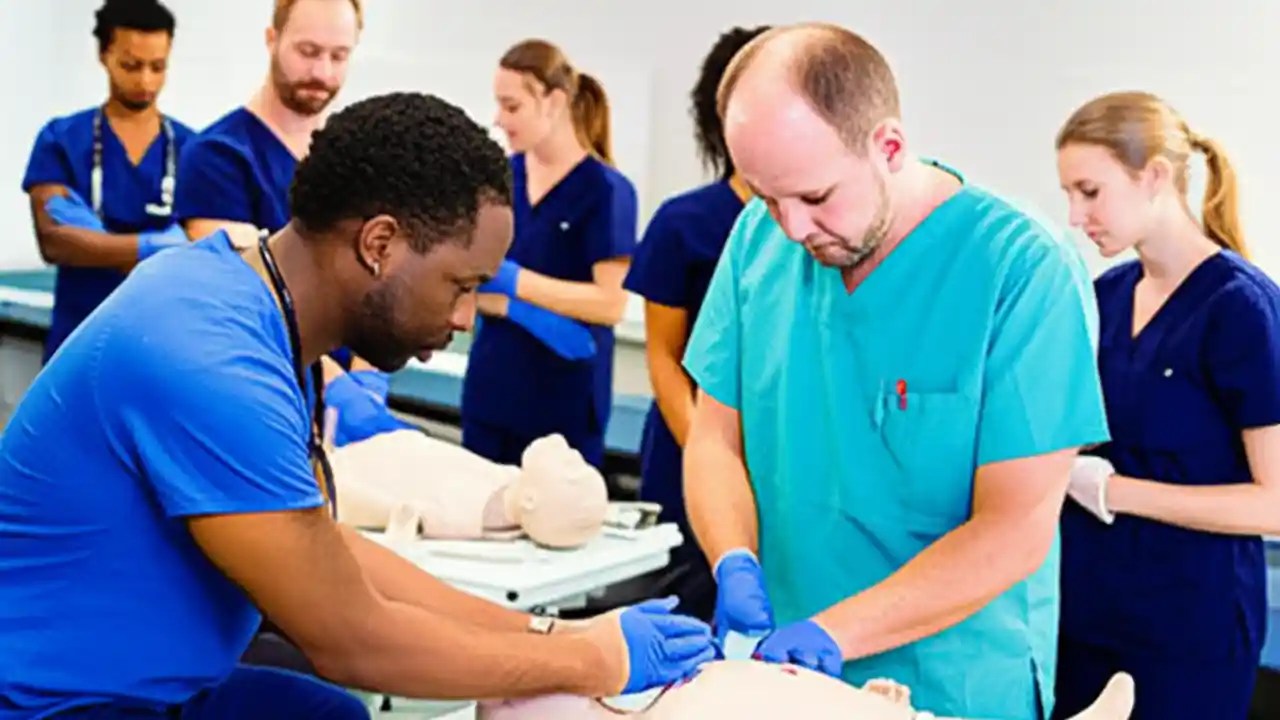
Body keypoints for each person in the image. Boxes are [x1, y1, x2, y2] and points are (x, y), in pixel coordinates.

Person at [0, 92, 715, 719]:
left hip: (153, 684)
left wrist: (552, 633)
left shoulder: (263, 308)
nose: (468, 316)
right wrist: (594, 664)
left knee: (326, 713)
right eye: (459, 284)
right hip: (54, 703)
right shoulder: (206, 352)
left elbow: (327, 549)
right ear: (380, 244)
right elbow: (350, 636)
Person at [680, 23, 1110, 719]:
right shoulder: (759, 241)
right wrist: (733, 559)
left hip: (951, 678)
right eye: (766, 198)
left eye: (817, 198)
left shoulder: (1018, 269)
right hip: (783, 669)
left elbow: (1013, 529)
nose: (791, 228)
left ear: (889, 147)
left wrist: (833, 631)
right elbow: (713, 439)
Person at [1052, 90, 1280, 720]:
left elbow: (1276, 501)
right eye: (1069, 193)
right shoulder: (1105, 294)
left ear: (1153, 175)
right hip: (1087, 616)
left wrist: (1114, 490)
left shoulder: (1240, 308)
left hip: (1190, 630)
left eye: (1089, 191)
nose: (1075, 214)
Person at [173, 0, 411, 450]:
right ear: (272, 39)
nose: (322, 72)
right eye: (307, 51)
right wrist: (331, 384)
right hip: (257, 403)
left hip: (342, 408)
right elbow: (253, 299)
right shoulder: (220, 157)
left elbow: (379, 275)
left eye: (339, 56)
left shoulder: (356, 162)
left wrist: (368, 378)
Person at [621, 25, 770, 623]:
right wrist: (712, 455)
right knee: (689, 607)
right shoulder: (684, 223)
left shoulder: (811, 230)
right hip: (693, 446)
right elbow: (663, 355)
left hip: (775, 456)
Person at [461, 39, 639, 471]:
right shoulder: (500, 178)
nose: (499, 120)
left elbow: (610, 303)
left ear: (554, 101)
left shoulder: (605, 192)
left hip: (563, 402)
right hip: (492, 389)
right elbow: (469, 285)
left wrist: (515, 286)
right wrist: (502, 304)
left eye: (512, 106)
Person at [21, 0, 193, 363]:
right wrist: (154, 248)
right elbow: (55, 241)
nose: (145, 80)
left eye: (157, 67)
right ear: (104, 54)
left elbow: (201, 249)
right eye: (131, 65)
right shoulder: (61, 139)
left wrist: (100, 244)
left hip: (160, 345)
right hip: (77, 342)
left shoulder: (193, 149)